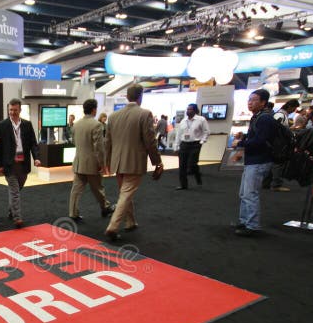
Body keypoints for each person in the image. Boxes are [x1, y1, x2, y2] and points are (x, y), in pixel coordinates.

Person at [103, 84, 163, 241]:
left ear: (127, 96)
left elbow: (107, 142)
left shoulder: (114, 116)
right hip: (134, 162)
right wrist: (157, 162)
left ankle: (130, 222)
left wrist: (107, 162)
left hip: (117, 162)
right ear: (140, 96)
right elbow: (150, 141)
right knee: (126, 193)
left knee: (125, 192)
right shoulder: (145, 114)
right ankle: (113, 226)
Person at [231, 89, 275, 236]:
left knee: (250, 194)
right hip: (253, 161)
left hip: (259, 161)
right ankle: (244, 221)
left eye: (254, 99)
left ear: (263, 102)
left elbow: (260, 141)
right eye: (249, 99)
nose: (250, 102)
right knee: (244, 193)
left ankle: (252, 226)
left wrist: (241, 142)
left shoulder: (265, 118)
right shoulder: (257, 117)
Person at [0, 98, 41, 228]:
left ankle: (11, 209)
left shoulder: (27, 124)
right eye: (10, 110)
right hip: (9, 164)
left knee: (17, 189)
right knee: (14, 190)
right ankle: (17, 218)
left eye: (15, 110)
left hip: (23, 164)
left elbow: (33, 143)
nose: (12, 112)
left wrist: (36, 157)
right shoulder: (2, 125)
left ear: (20, 110)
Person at [68, 99, 115, 222]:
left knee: (76, 189)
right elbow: (99, 148)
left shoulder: (76, 125)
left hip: (79, 163)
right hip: (92, 164)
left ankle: (73, 213)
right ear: (94, 109)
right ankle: (105, 207)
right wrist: (103, 164)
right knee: (98, 188)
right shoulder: (96, 125)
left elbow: (73, 142)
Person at [172, 104, 210, 190]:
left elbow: (207, 131)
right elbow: (179, 134)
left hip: (195, 144)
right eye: (187, 109)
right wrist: (176, 146)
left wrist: (202, 141)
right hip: (184, 144)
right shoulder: (183, 121)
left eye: (190, 109)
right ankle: (183, 185)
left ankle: (197, 175)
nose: (188, 111)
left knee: (192, 164)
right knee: (182, 166)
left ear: (195, 111)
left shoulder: (201, 120)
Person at [266, 99, 300, 192]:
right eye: (294, 108)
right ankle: (276, 184)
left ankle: (267, 183)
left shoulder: (281, 114)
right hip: (278, 143)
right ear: (290, 106)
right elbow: (280, 130)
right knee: (278, 163)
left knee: (273, 163)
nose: (294, 110)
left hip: (277, 142)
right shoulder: (281, 114)